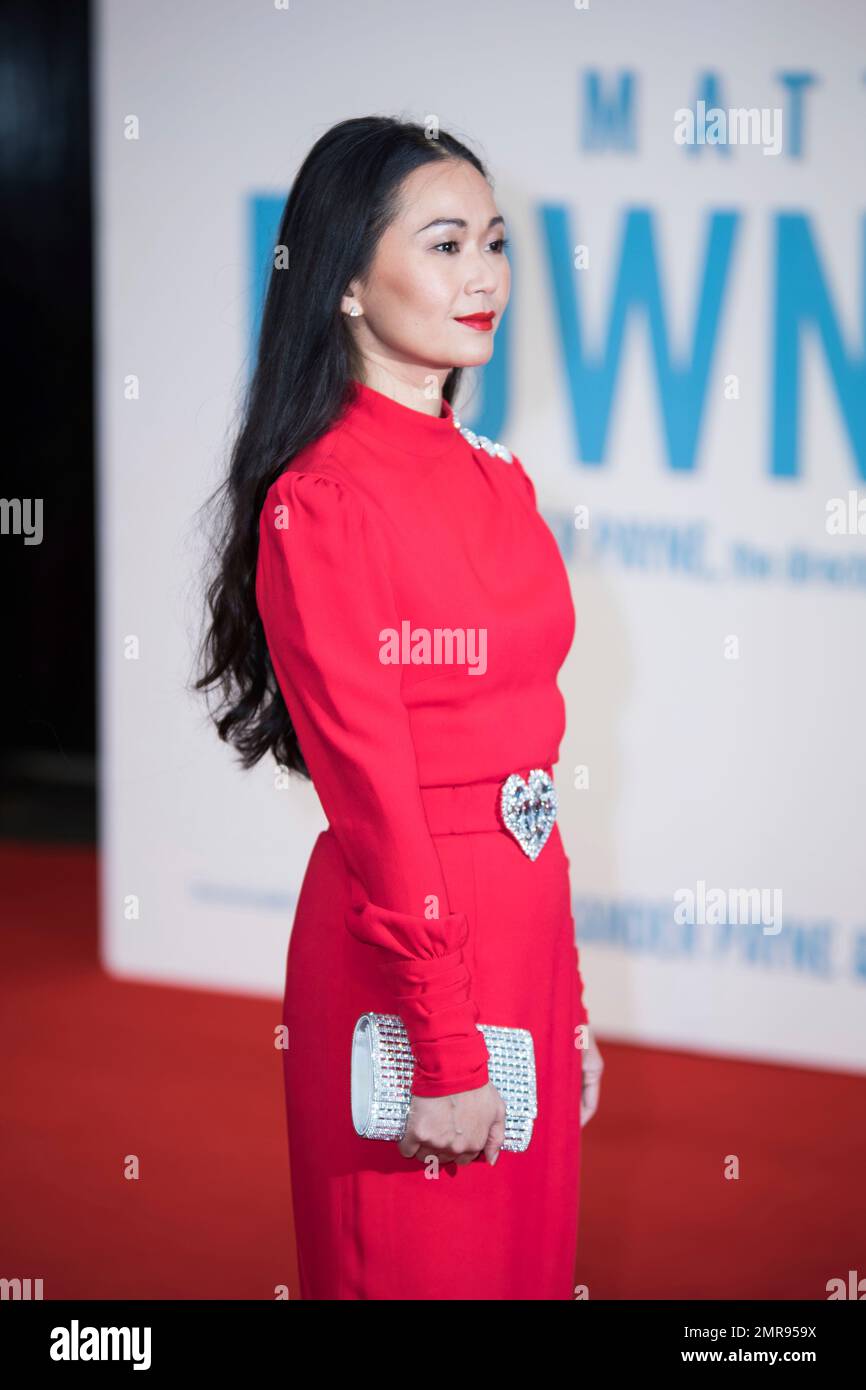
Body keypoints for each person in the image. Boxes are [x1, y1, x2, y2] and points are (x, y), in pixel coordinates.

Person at [195, 114, 603, 1300]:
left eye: (492, 240)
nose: (480, 274)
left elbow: (532, 753)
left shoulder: (497, 476)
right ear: (344, 283)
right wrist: (441, 1034)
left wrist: (563, 998)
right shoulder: (321, 503)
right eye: (440, 244)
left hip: (520, 933)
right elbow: (375, 800)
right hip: (408, 951)